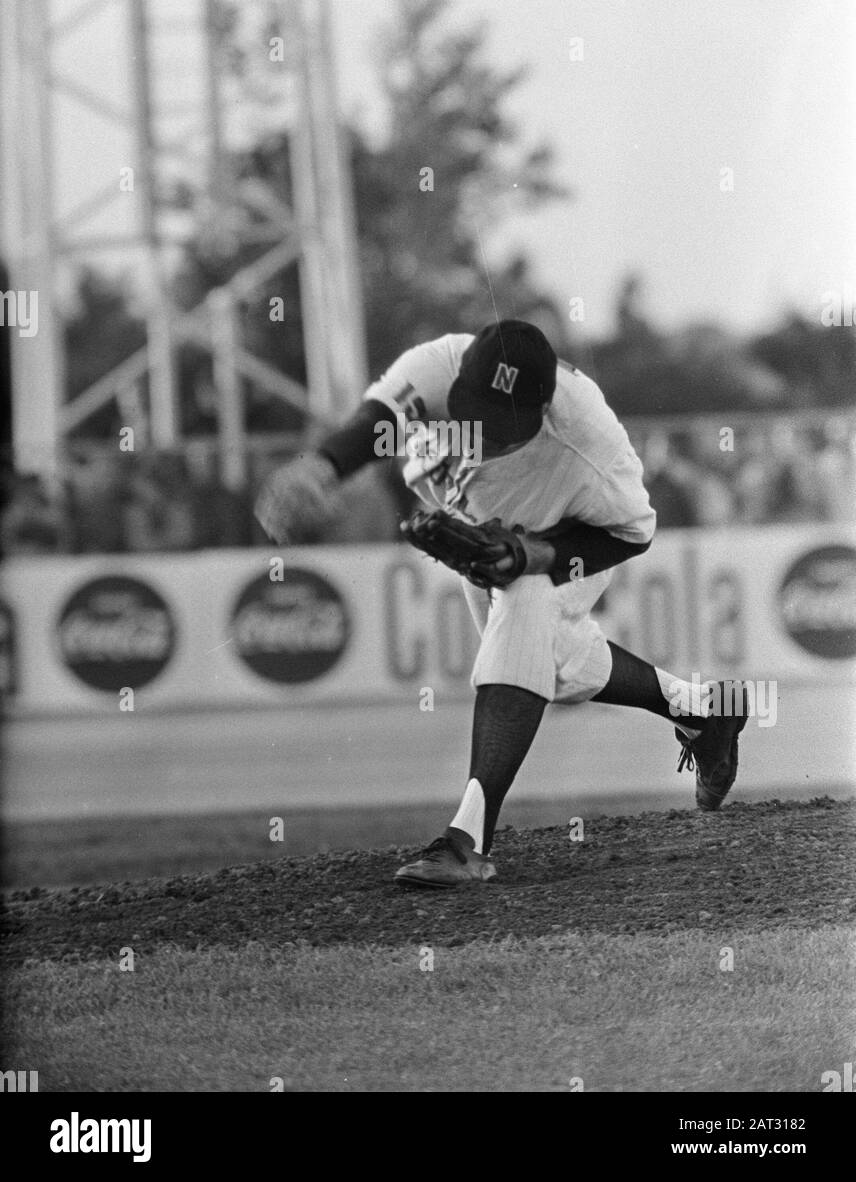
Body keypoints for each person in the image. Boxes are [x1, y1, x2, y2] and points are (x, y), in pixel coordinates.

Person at [255, 320, 749, 889]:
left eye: (499, 424)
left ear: (540, 413)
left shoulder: (585, 441)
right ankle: (703, 711)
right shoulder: (441, 361)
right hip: (487, 528)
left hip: (564, 537)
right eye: (475, 410)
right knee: (553, 667)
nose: (482, 432)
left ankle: (468, 842)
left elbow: (633, 533)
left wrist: (537, 555)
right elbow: (380, 420)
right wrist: (323, 465)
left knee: (525, 601)